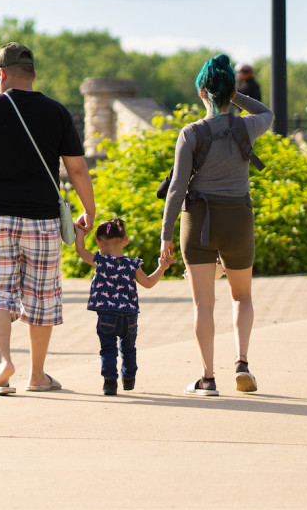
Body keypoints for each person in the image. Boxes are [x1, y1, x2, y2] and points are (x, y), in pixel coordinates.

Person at [0, 42, 96, 396]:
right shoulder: (57, 112)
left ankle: (3, 362)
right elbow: (76, 168)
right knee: (41, 297)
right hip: (43, 222)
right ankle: (38, 375)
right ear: (33, 74)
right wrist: (89, 209)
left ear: (1, 74)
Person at [160, 54, 273, 396]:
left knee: (204, 305)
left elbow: (177, 188)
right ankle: (242, 362)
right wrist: (233, 95)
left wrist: (166, 235)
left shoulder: (191, 133)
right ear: (232, 89)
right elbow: (267, 113)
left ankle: (207, 378)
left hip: (199, 222)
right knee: (241, 296)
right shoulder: (247, 126)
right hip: (238, 218)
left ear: (200, 92)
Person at [75, 218, 170, 396]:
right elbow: (148, 283)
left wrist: (80, 233)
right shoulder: (132, 265)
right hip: (130, 316)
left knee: (108, 349)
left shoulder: (101, 262)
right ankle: (129, 378)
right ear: (126, 240)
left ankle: (110, 382)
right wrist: (162, 267)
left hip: (107, 315)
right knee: (128, 348)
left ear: (99, 242)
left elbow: (81, 251)